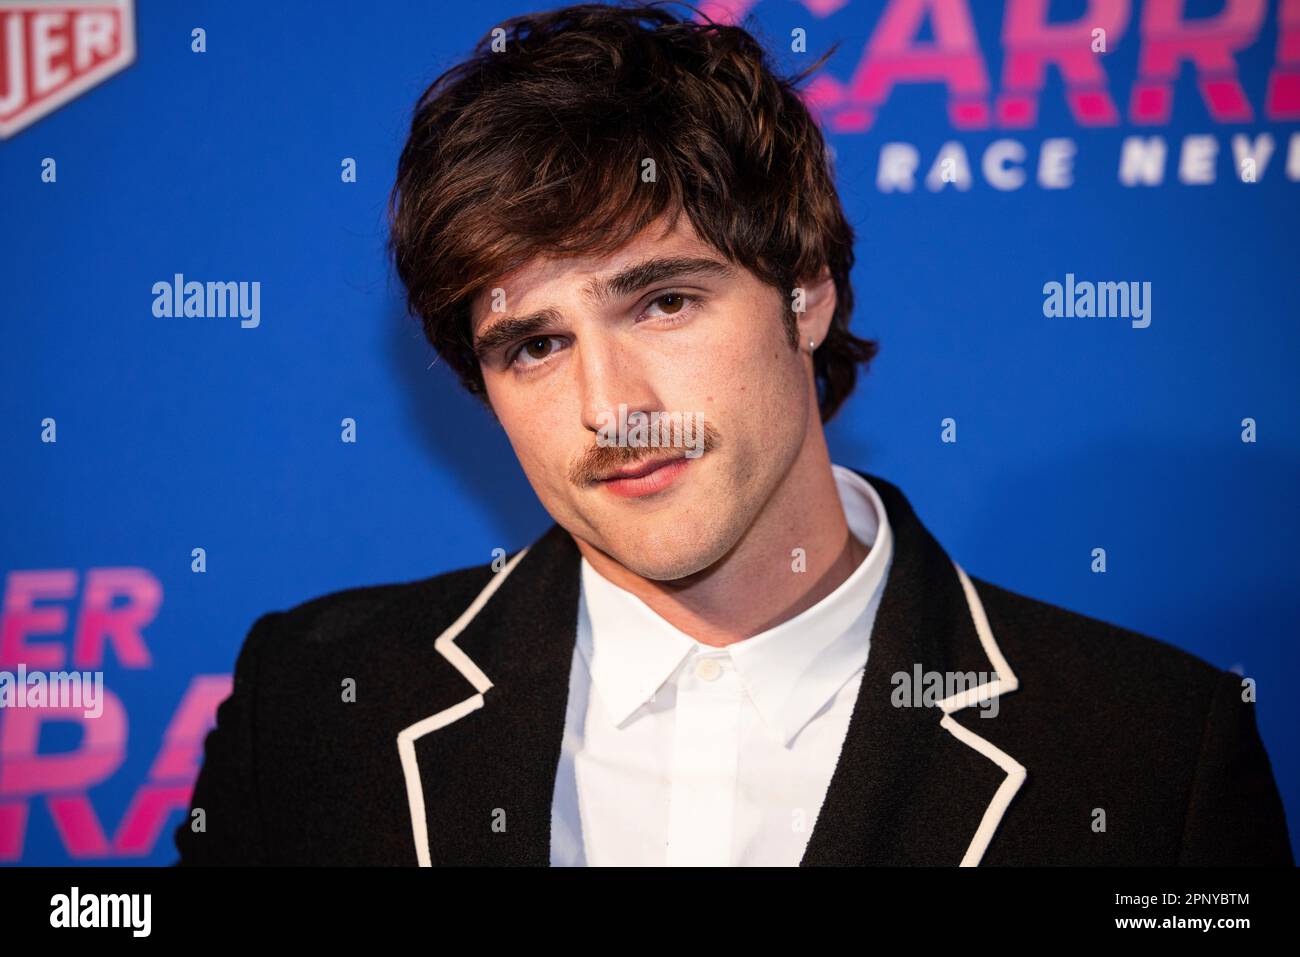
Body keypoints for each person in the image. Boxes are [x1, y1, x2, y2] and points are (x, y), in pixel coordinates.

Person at [174, 2, 1292, 866]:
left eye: (662, 302)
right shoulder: (316, 710)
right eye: (534, 345)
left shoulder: (1149, 753)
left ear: (806, 296)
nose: (611, 408)